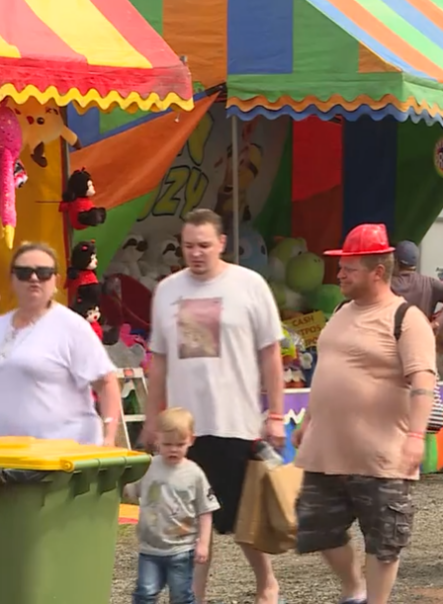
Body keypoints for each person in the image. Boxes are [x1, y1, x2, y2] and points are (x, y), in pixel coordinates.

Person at [145, 209, 286, 604]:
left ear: (221, 243)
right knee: (188, 520)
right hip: (185, 425)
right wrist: (155, 418)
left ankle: (266, 582)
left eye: (204, 245)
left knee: (240, 516)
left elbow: (270, 352)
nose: (196, 253)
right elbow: (158, 359)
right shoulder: (168, 290)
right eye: (189, 245)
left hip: (235, 420)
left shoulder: (249, 285)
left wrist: (275, 414)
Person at [292, 224, 437, 604]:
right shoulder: (341, 310)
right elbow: (328, 370)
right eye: (340, 267)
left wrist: (416, 436)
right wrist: (308, 420)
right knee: (318, 529)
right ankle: (354, 588)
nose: (339, 274)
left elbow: (423, 381)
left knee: (384, 538)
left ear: (378, 271)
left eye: (348, 268)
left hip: (381, 453)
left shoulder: (406, 318)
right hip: (327, 450)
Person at [0, 242, 121, 445]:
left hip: (65, 457)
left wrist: (109, 436)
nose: (33, 278)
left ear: (56, 280)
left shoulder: (72, 326)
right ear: (11, 279)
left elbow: (106, 382)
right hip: (11, 456)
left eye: (44, 272)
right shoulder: (2, 325)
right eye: (23, 272)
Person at [128, 407, 218, 604]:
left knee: (181, 596)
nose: (173, 449)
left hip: (181, 549)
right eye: (167, 444)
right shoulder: (149, 467)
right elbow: (131, 492)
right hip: (149, 549)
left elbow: (206, 510)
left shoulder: (194, 474)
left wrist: (203, 543)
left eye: (180, 444)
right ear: (157, 439)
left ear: (191, 440)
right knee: (145, 592)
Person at [390, 240, 443, 326]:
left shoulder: (387, 284)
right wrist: (436, 323)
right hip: (423, 336)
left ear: (395, 261)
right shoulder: (429, 283)